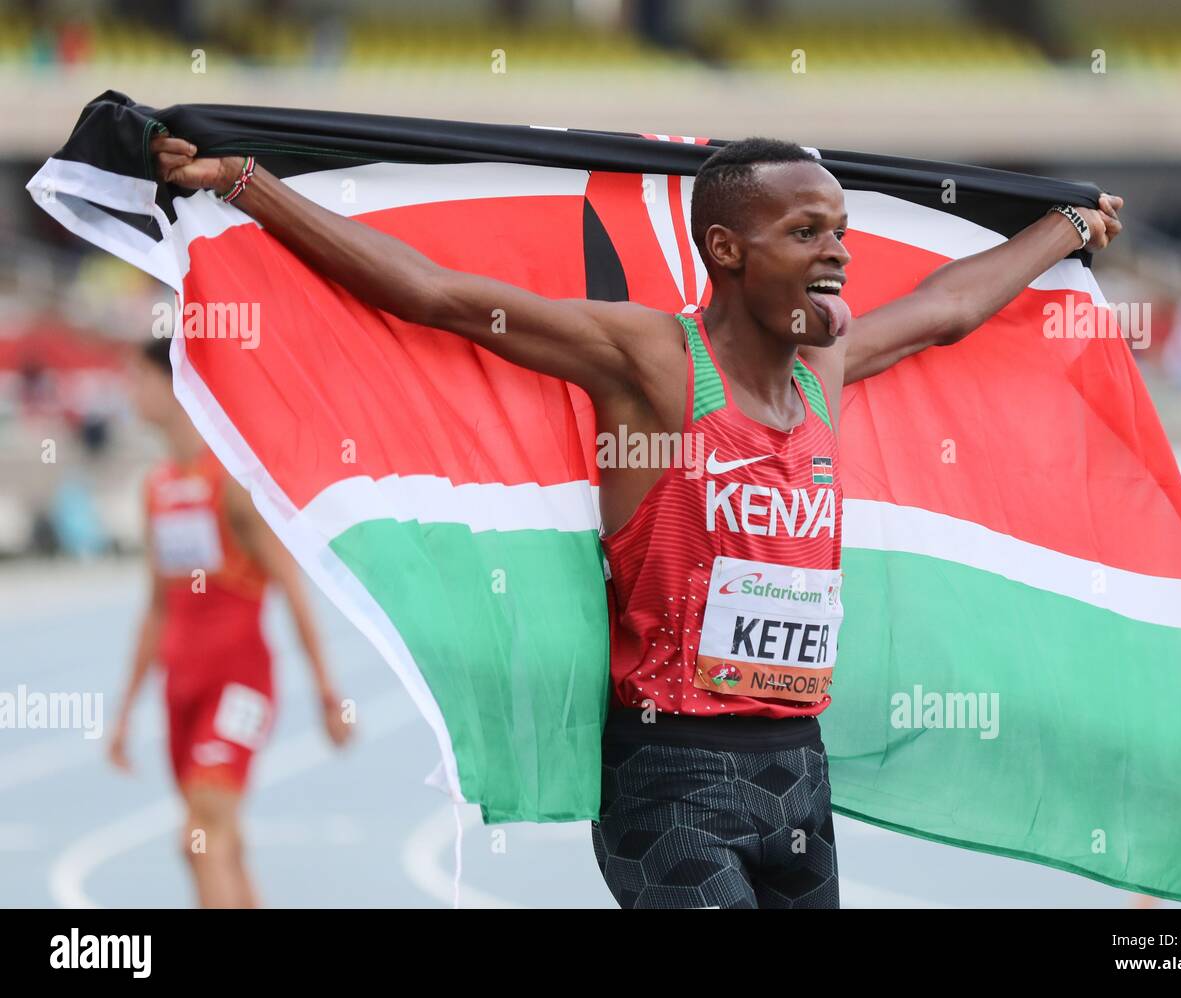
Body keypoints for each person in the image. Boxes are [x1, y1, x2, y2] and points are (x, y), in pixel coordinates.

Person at [149, 132, 1123, 908]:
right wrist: (247, 185)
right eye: (808, 232)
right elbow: (436, 296)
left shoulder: (827, 364)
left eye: (839, 229)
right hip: (671, 778)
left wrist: (1064, 226)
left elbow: (950, 307)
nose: (839, 251)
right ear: (727, 249)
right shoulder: (652, 364)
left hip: (798, 773)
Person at [109, 336, 353, 908]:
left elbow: (291, 588)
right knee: (221, 841)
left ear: (173, 386)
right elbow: (156, 604)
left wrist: (326, 691)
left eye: (139, 380)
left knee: (200, 839)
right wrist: (124, 710)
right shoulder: (158, 488)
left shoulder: (233, 486)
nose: (130, 393)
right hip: (182, 688)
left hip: (238, 683)